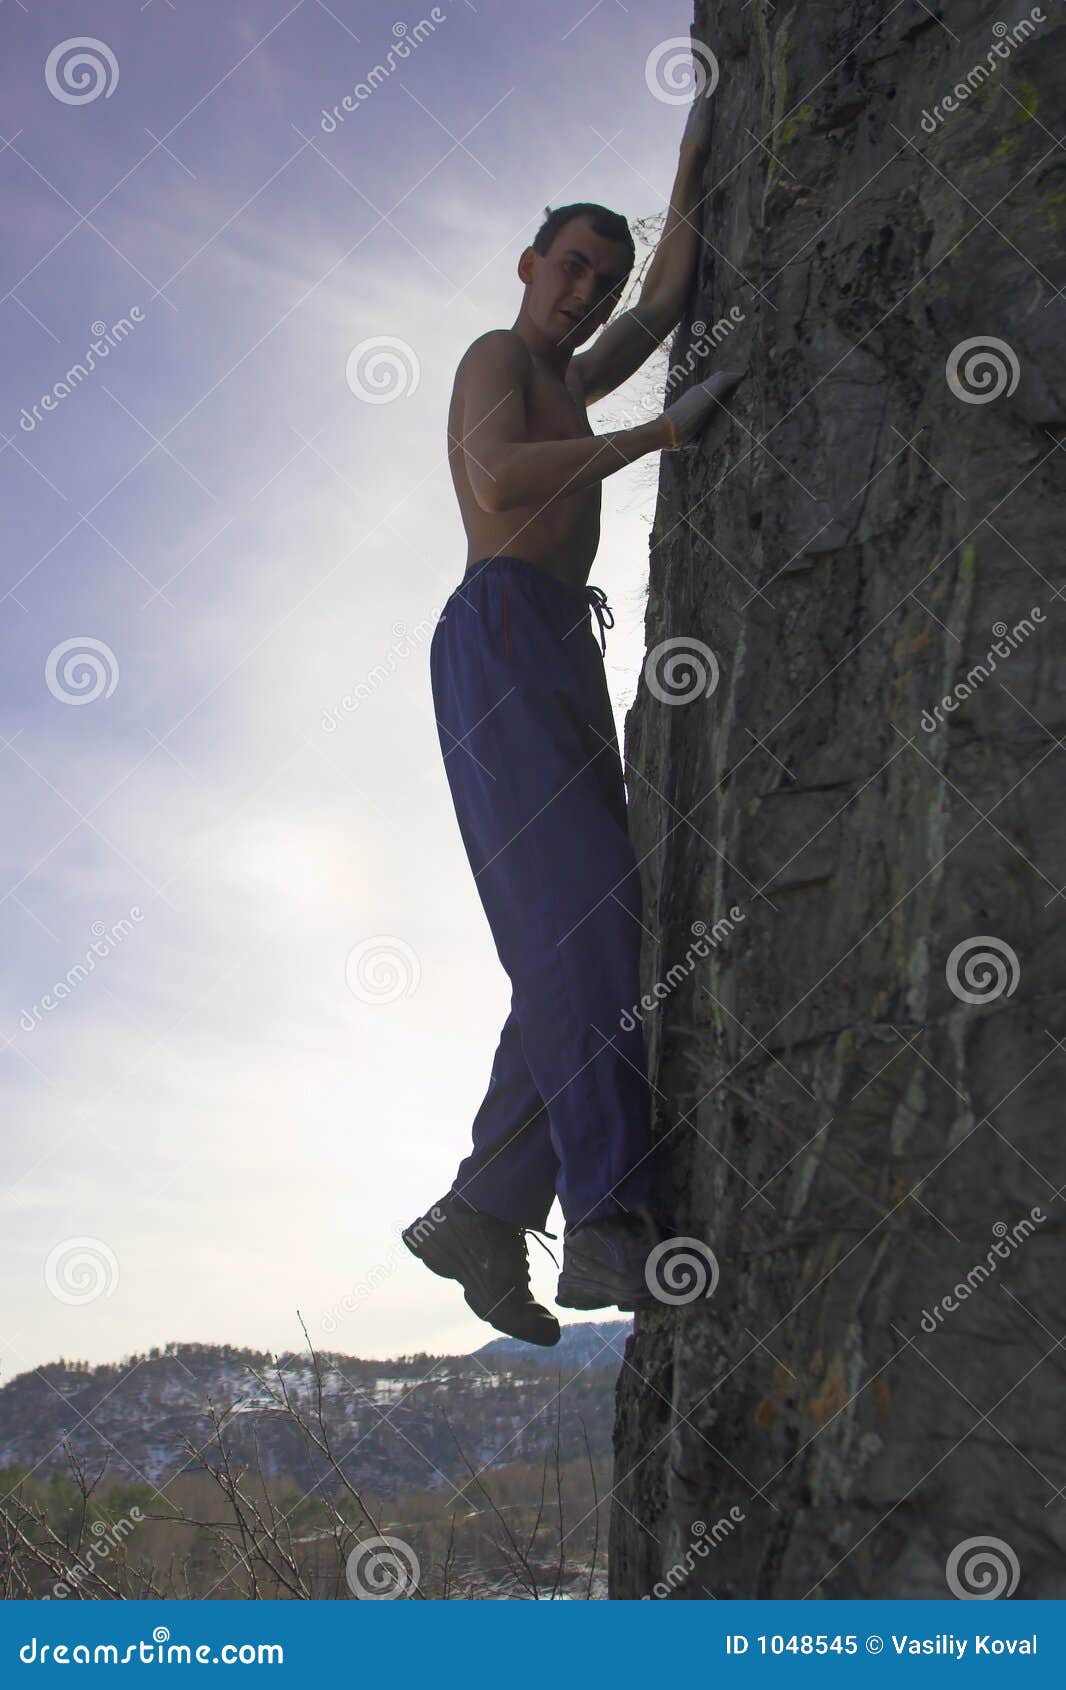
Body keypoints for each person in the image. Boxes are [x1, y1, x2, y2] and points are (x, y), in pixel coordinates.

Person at [404, 76, 747, 1345]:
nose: (587, 292)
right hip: (497, 636)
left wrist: (697, 147)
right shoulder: (500, 361)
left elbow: (666, 301)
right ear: (528, 264)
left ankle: (486, 1207)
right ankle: (605, 1214)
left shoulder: (579, 369)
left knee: (587, 925)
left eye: (597, 277)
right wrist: (654, 437)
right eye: (571, 268)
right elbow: (495, 471)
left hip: (554, 649)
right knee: (583, 929)